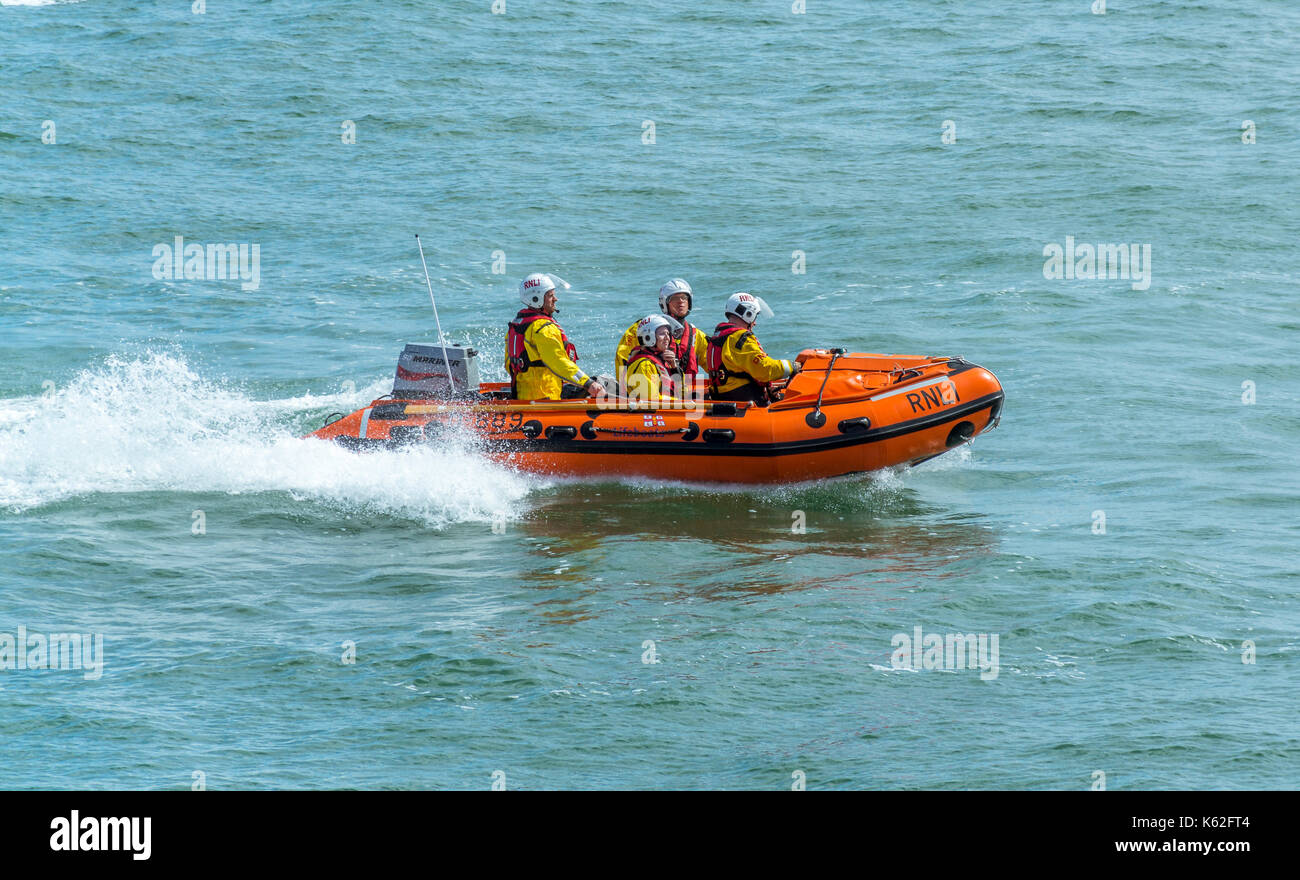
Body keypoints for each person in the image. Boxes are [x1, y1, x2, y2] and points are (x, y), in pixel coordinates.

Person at [505, 273, 606, 401]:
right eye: (551, 295)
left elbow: (508, 364)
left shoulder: (517, 324)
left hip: (525, 396)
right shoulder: (543, 329)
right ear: (536, 299)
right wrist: (588, 383)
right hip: (544, 399)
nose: (555, 299)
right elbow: (558, 362)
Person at [705, 292, 802, 405]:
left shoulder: (720, 336)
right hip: (744, 399)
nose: (754, 323)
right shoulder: (740, 338)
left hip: (724, 397)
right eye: (754, 317)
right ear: (748, 314)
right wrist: (792, 366)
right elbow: (764, 369)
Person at [615, 279, 709, 393]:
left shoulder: (696, 335)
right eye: (674, 298)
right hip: (649, 390)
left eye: (684, 297)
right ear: (664, 303)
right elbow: (622, 360)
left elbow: (712, 364)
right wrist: (626, 391)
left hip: (681, 391)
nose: (681, 302)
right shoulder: (642, 328)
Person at [624, 314, 684, 403]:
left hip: (667, 409)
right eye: (662, 334)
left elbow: (682, 392)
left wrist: (674, 368)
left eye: (668, 333)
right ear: (648, 336)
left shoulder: (663, 361)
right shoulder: (645, 365)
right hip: (653, 412)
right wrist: (681, 403)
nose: (667, 338)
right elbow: (651, 400)